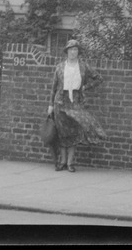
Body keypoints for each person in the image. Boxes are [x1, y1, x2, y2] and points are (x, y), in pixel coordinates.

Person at [48, 38, 105, 172]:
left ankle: (70, 163)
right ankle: (62, 162)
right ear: (67, 51)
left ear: (78, 52)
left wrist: (85, 87)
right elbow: (54, 87)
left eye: (76, 49)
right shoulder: (60, 67)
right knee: (62, 133)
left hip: (76, 102)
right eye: (71, 49)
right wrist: (50, 104)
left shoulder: (83, 66)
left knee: (74, 132)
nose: (73, 52)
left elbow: (98, 78)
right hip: (60, 102)